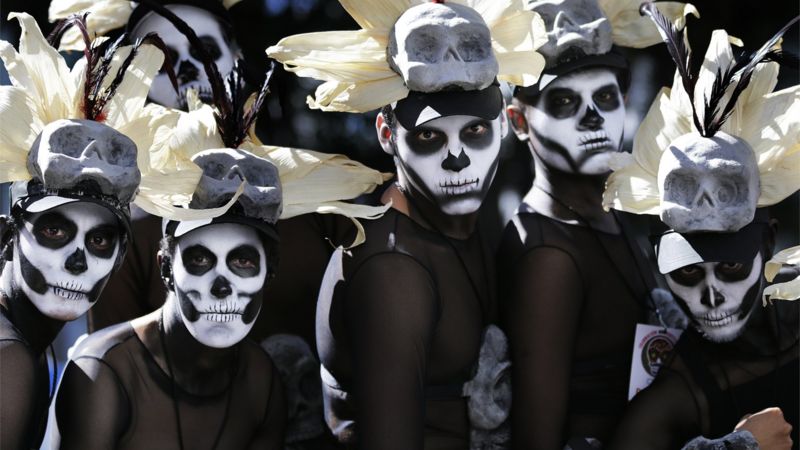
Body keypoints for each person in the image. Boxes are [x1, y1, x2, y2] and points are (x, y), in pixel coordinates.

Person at [267, 1, 545, 448]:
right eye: (429, 136)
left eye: (474, 131)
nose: (457, 160)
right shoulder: (392, 270)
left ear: (503, 128)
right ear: (386, 133)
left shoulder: (457, 226)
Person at [497, 0, 696, 446]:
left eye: (604, 98)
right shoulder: (547, 254)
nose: (593, 117)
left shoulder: (611, 215)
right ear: (519, 121)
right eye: (565, 101)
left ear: (624, 102)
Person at [603, 12, 800, 449]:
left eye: (730, 265)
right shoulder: (677, 395)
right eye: (689, 273)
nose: (711, 296)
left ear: (768, 242)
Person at [0, 12, 182, 448]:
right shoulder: (10, 361)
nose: (78, 260)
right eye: (55, 232)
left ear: (120, 259)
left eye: (99, 240)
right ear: (7, 238)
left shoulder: (26, 346)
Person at [54, 148, 288, 449]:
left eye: (242, 262)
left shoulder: (261, 381)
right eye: (201, 260)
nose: (221, 287)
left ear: (269, 271)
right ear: (166, 268)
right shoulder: (105, 371)